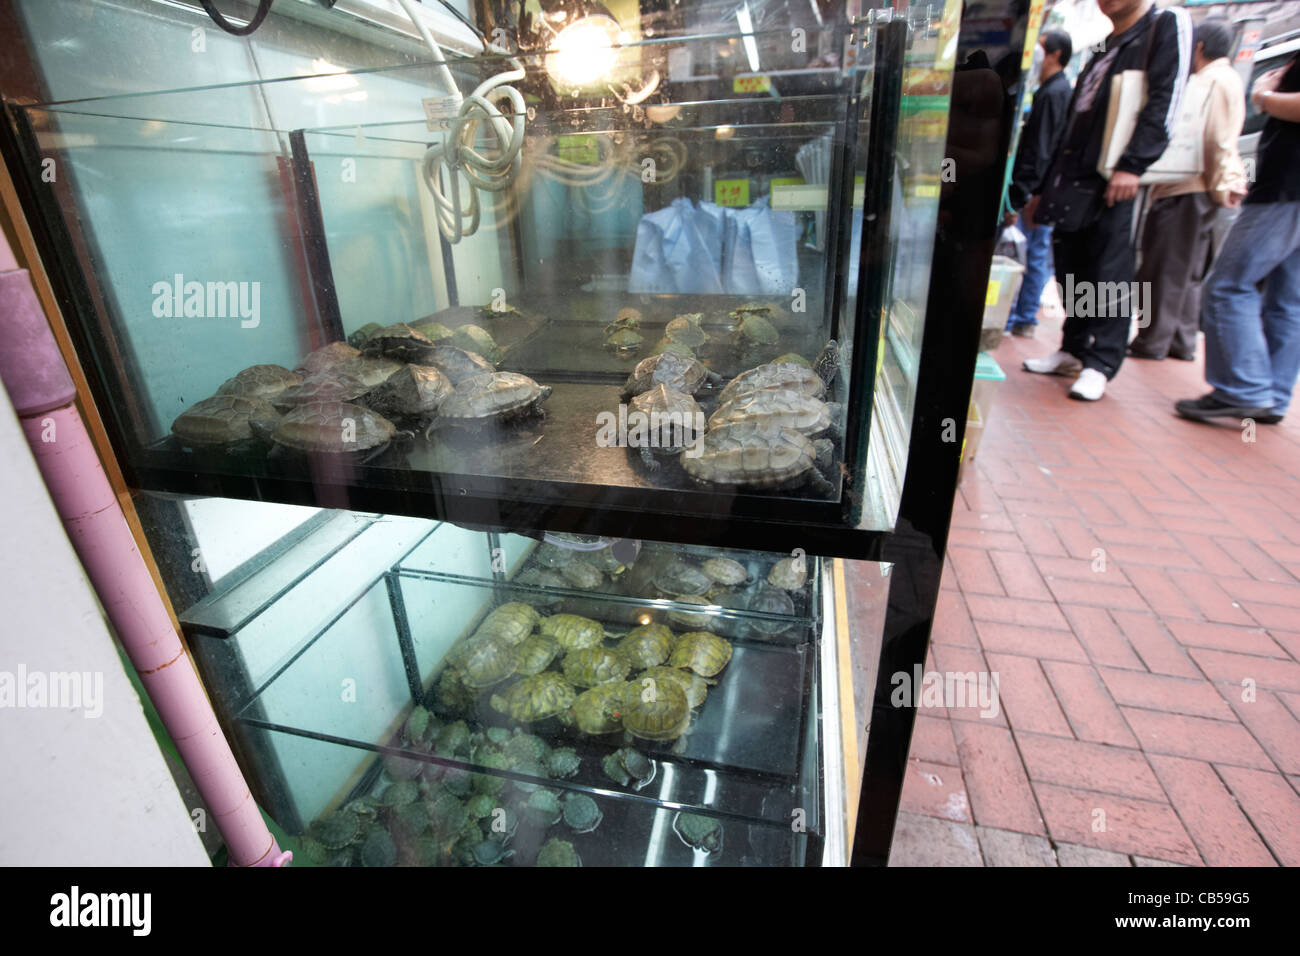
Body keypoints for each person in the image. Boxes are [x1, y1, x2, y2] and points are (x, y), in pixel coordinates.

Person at [1021, 0, 1193, 401]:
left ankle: (1102, 361)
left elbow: (1167, 99)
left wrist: (1132, 165)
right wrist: (1046, 186)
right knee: (1072, 264)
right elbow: (1075, 118)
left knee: (1111, 270)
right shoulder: (1106, 42)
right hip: (1076, 175)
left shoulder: (1166, 24)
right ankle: (1074, 348)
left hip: (1118, 175)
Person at [1175, 52, 1300, 424]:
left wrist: (1263, 96)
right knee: (1287, 299)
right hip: (1288, 189)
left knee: (1228, 286)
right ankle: (1270, 396)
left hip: (1287, 188)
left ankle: (1243, 389)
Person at [1129, 18, 1247, 362]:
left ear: (1196, 48)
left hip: (1187, 186)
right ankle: (1180, 340)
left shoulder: (1209, 80)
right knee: (1187, 270)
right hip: (1201, 187)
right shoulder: (1227, 79)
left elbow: (1217, 139)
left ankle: (1153, 341)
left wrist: (1224, 181)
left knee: (1164, 266)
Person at [1004, 31, 1075, 339]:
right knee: (1032, 253)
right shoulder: (1052, 90)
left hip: (1037, 193)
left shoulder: (1054, 93)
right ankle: (1022, 315)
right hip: (1039, 189)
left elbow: (1041, 150)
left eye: (1041, 47)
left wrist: (1024, 195)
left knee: (1032, 254)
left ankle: (1023, 317)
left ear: (1054, 54)